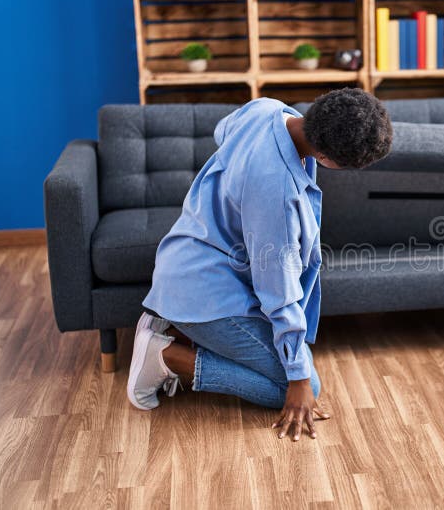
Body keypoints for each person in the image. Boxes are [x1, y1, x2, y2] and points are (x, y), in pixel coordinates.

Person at [126, 88, 393, 441]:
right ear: (326, 157)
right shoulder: (277, 193)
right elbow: (278, 293)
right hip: (202, 290)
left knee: (297, 370)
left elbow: (222, 131)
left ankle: (174, 328)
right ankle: (164, 356)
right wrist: (298, 378)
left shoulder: (267, 110)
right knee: (300, 386)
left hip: (190, 262)